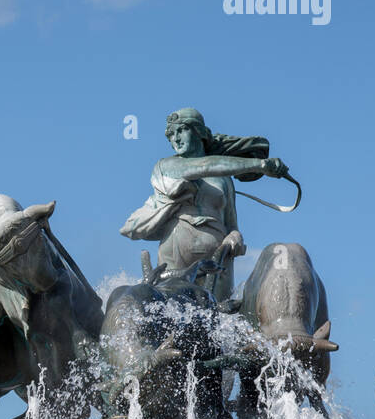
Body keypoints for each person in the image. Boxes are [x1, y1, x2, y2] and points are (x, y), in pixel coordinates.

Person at [121, 107, 288, 301]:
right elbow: (204, 165)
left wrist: (235, 237)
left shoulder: (225, 179)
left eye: (181, 130)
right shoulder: (166, 166)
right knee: (173, 312)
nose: (175, 138)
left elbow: (232, 225)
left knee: (221, 315)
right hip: (176, 252)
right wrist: (259, 165)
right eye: (171, 135)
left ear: (198, 131)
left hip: (219, 257)